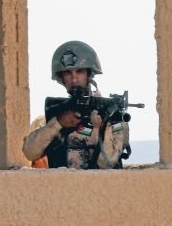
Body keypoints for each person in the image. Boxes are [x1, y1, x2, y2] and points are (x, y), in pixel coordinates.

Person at [22, 40, 129, 169]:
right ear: (62, 78)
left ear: (89, 74)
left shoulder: (113, 115)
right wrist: (58, 123)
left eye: (80, 72)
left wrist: (101, 129)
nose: (74, 79)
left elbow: (107, 164)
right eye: (68, 73)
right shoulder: (58, 113)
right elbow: (29, 152)